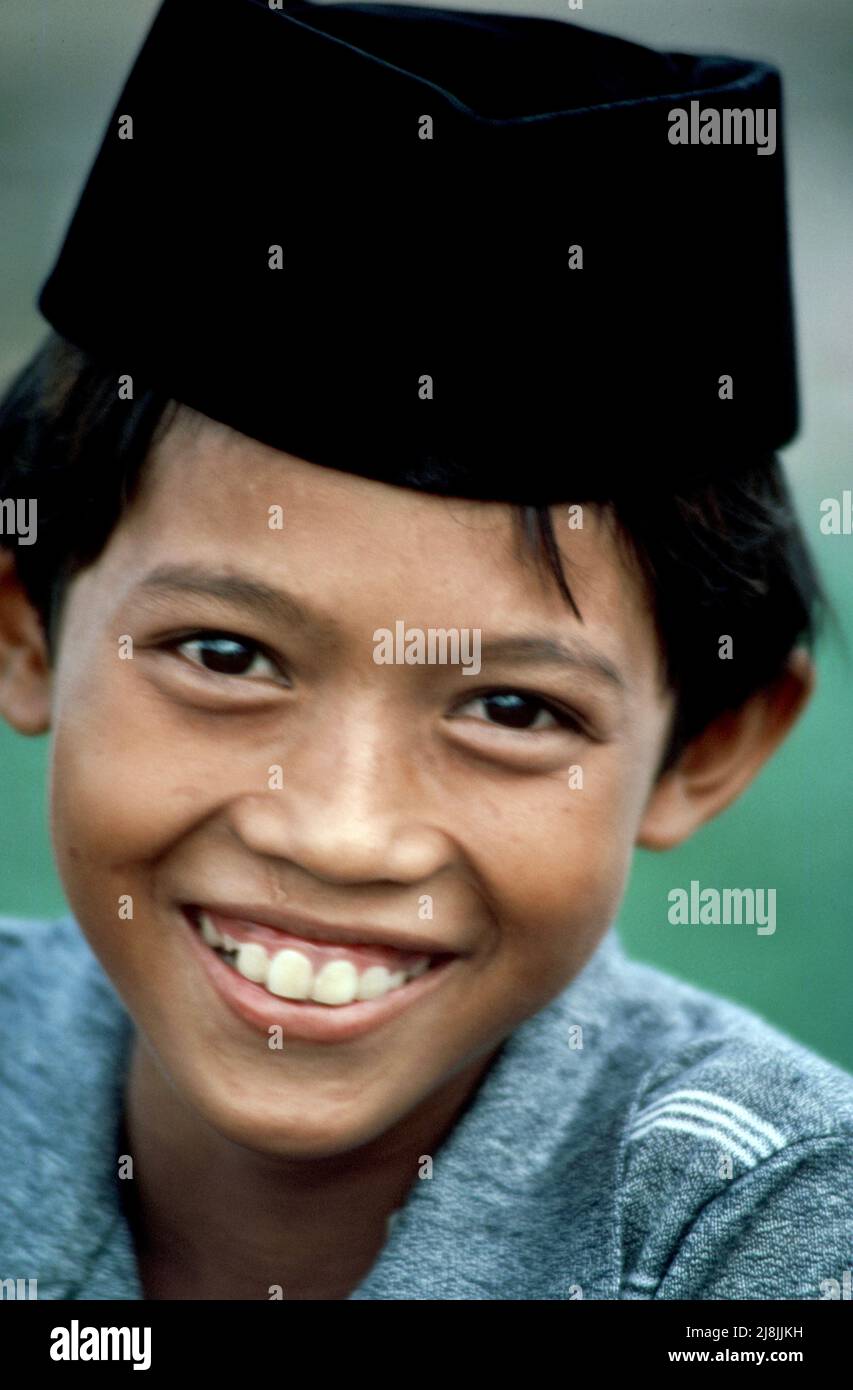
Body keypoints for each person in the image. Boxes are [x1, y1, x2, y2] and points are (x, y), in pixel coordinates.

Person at [0, 0, 850, 1301]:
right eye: (225, 654)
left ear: (709, 742)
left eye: (510, 705)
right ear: (24, 623)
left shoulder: (760, 1226)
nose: (339, 832)